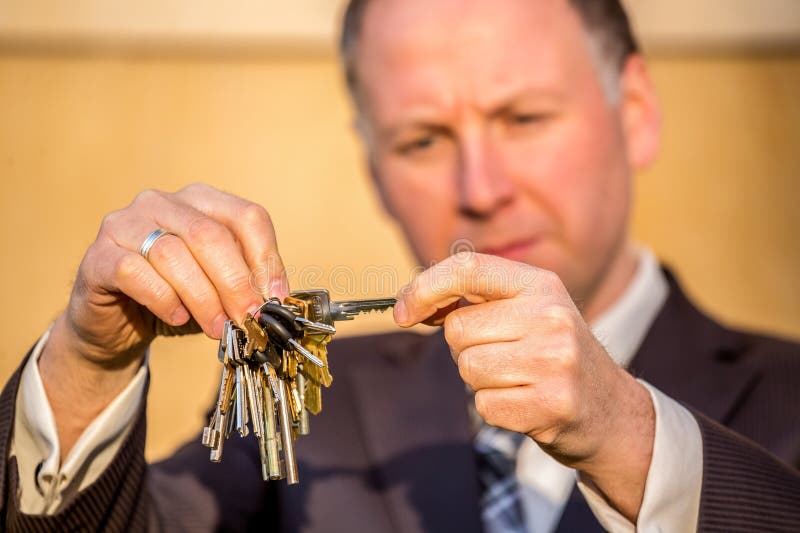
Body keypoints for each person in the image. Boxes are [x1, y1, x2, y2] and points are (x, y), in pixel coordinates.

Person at [1, 0, 798, 531]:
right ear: (373, 166)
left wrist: (631, 434)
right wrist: (88, 366)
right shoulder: (309, 394)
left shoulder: (784, 394)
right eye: (422, 140)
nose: (480, 190)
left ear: (636, 113)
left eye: (523, 118)